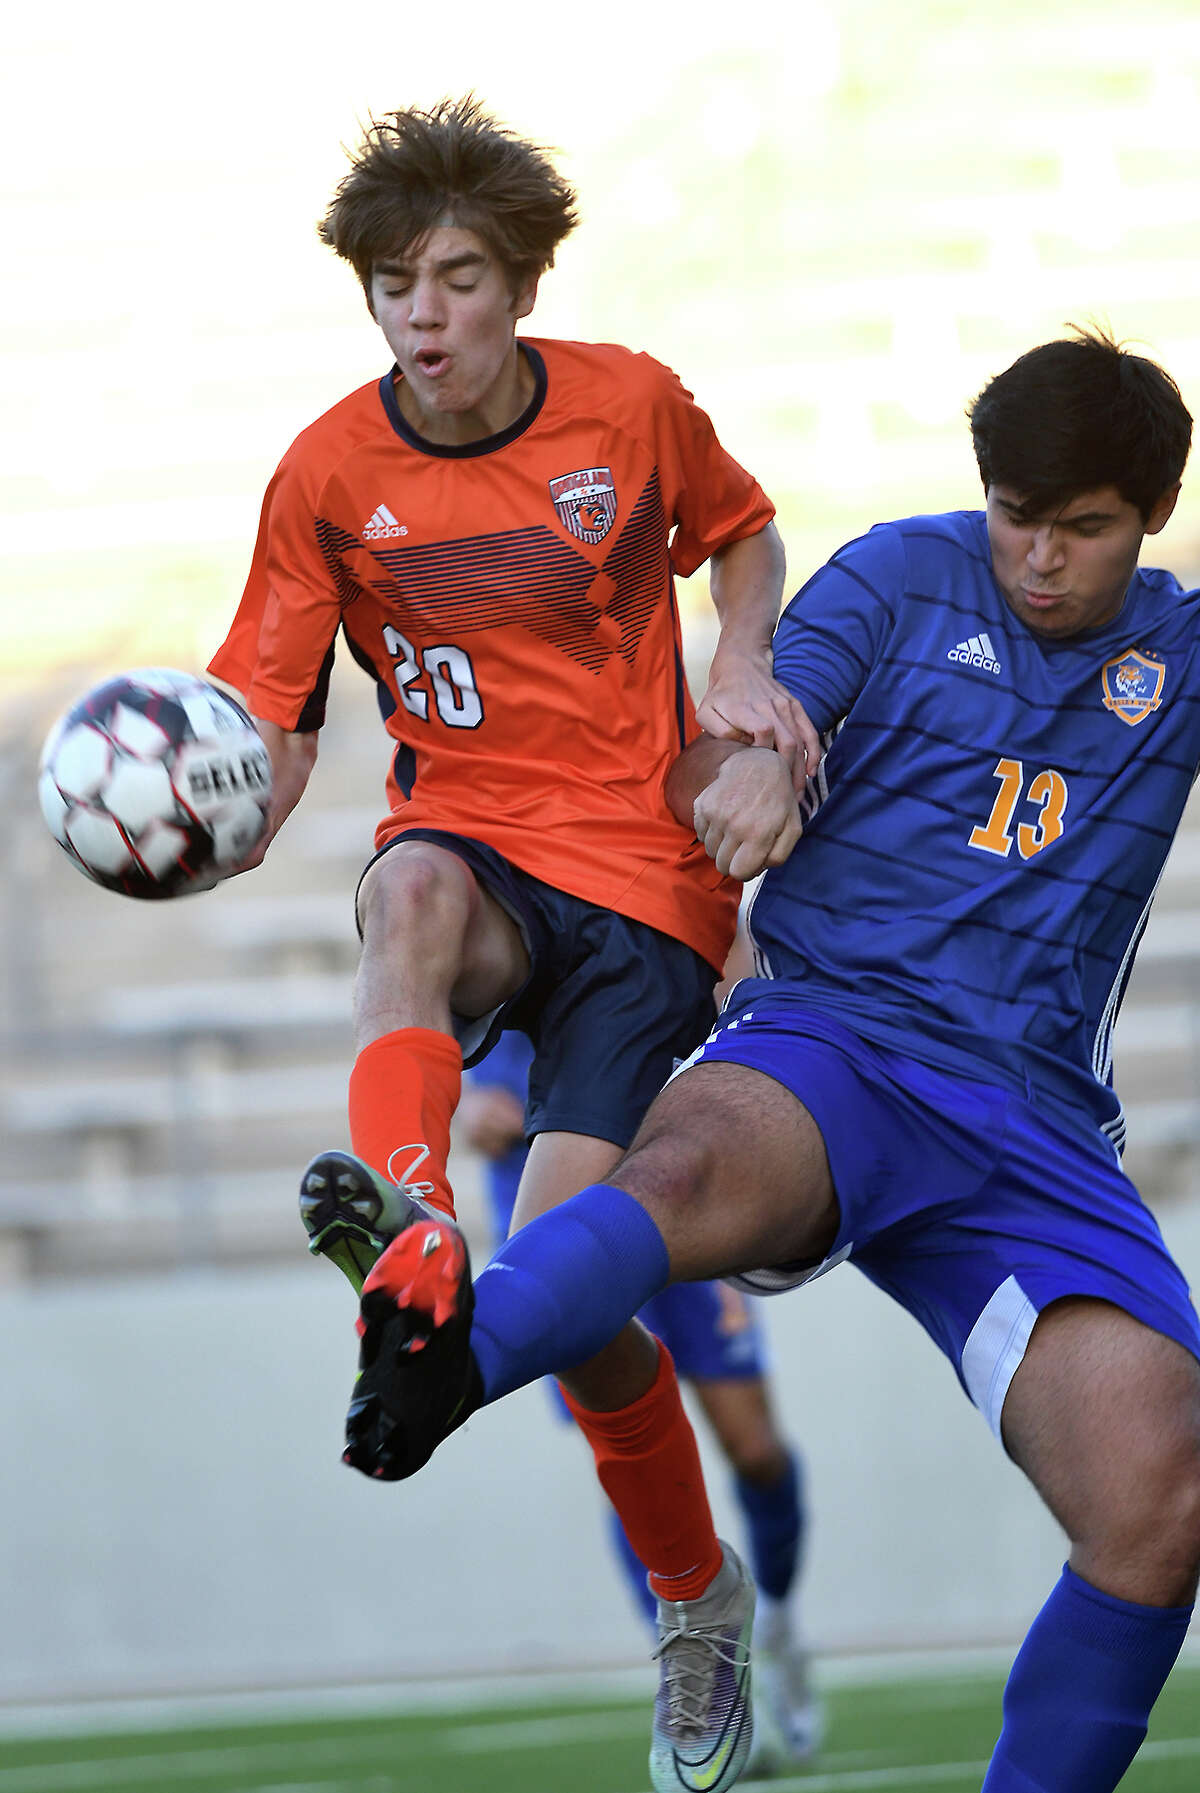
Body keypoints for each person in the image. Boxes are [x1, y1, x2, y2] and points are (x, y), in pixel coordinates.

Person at [345, 327, 1200, 1792]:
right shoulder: (897, 574)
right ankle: (443, 1357)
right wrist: (754, 761)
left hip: (1041, 1130)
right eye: (1017, 515)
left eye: (1085, 528)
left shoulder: (1179, 651)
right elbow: (758, 716)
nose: (1042, 558)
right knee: (675, 1169)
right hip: (838, 1036)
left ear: (1152, 520)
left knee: (1160, 1498)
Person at [206, 95, 819, 1793]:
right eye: (395, 281)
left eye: (458, 276)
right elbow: (272, 700)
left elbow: (744, 531)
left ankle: (698, 1603)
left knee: (563, 1294)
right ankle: (406, 1218)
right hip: (467, 837)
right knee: (403, 898)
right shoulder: (330, 468)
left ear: (520, 282)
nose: (424, 311)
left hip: (643, 883)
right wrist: (235, 805)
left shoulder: (631, 404)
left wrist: (744, 663)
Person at [460, 1029, 821, 1768]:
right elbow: (433, 1027)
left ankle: (779, 1620)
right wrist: (467, 1106)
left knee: (755, 1450)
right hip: (561, 1219)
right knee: (631, 1449)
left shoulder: (625, 928)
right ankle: (700, 1670)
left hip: (681, 1192)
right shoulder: (489, 927)